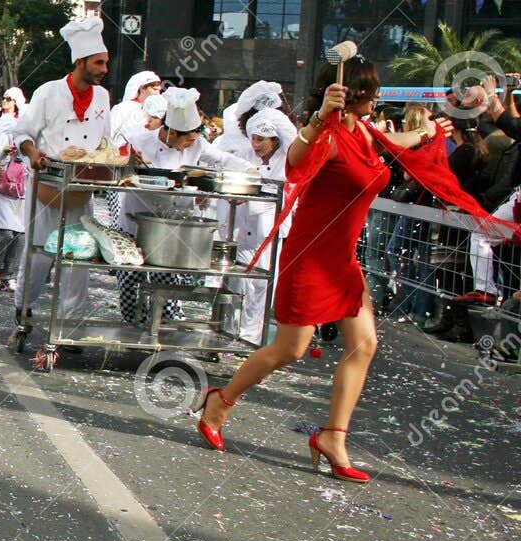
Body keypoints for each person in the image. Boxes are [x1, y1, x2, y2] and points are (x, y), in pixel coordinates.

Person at [194, 46, 520, 480]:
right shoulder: (326, 135)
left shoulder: (364, 131)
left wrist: (425, 133)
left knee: (364, 345)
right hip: (310, 256)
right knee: (290, 348)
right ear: (349, 94)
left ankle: (333, 436)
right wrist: (318, 117)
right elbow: (295, 162)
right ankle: (220, 402)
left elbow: (395, 143)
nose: (376, 98)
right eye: (369, 91)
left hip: (342, 260)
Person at [114, 86, 253, 326]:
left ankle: (167, 328)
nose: (190, 145)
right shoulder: (138, 141)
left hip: (172, 228)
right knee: (130, 283)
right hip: (136, 224)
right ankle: (133, 326)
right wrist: (125, 163)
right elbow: (113, 167)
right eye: (186, 140)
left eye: (193, 140)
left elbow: (224, 159)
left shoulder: (198, 145)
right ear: (171, 133)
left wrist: (249, 170)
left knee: (167, 284)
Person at [14, 17, 112, 331]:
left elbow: (105, 142)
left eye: (105, 62)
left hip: (82, 188)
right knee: (39, 253)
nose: (104, 69)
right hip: (47, 186)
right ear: (80, 62)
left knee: (80, 257)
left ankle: (70, 324)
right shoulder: (49, 92)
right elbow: (22, 133)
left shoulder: (102, 97)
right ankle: (23, 309)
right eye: (98, 63)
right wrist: (32, 153)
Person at [229, 106, 297, 345]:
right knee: (236, 281)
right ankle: (229, 332)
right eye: (253, 138)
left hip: (269, 231)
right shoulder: (244, 155)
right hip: (242, 227)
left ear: (275, 140)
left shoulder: (287, 160)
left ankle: (252, 338)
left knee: (262, 287)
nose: (255, 144)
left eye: (261, 140)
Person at [0, 87, 27, 292]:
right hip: (4, 182)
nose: (5, 101)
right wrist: (3, 152)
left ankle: (9, 273)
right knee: (4, 231)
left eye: (10, 99)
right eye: (4, 98)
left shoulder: (24, 121)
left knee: (20, 234)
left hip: (22, 185)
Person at [108, 69, 163, 146]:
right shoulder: (123, 108)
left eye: (159, 90)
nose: (157, 93)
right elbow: (109, 134)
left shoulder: (160, 110)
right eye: (154, 89)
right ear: (142, 88)